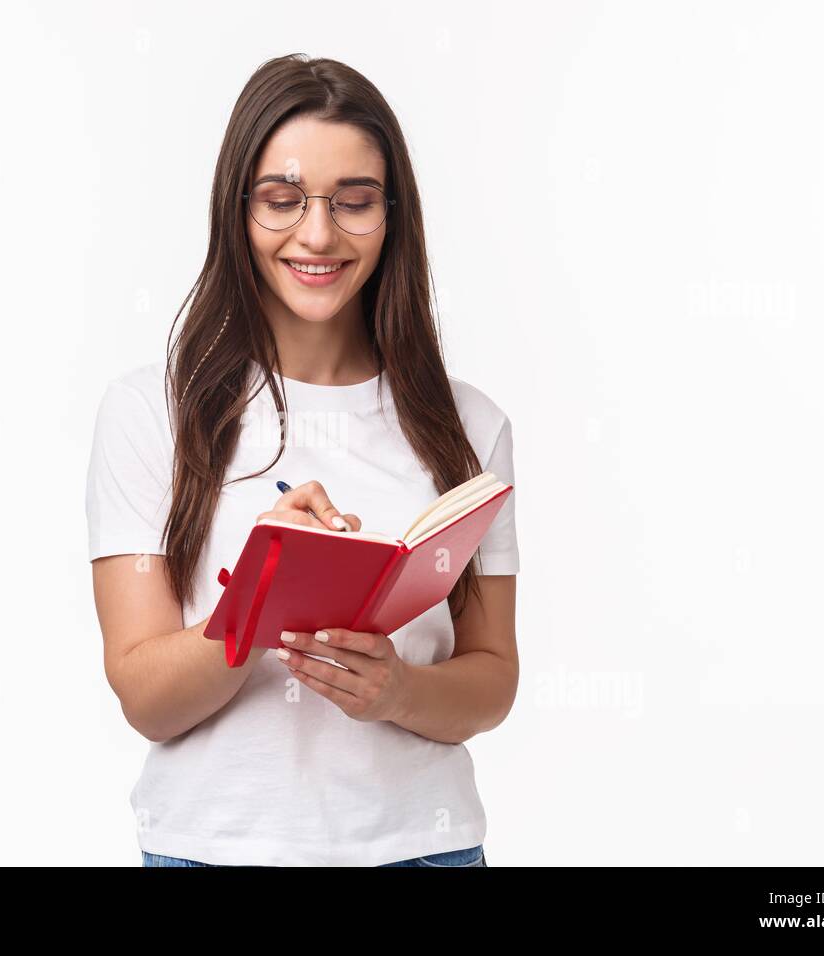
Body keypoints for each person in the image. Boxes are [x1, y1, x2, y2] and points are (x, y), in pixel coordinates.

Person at [86, 54, 519, 867]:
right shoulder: (151, 413)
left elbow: (492, 680)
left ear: (393, 214)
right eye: (282, 200)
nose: (317, 235)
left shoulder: (469, 426)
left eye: (354, 202)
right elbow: (144, 697)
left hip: (422, 851)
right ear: (236, 210)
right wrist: (260, 592)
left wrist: (401, 693)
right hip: (211, 851)